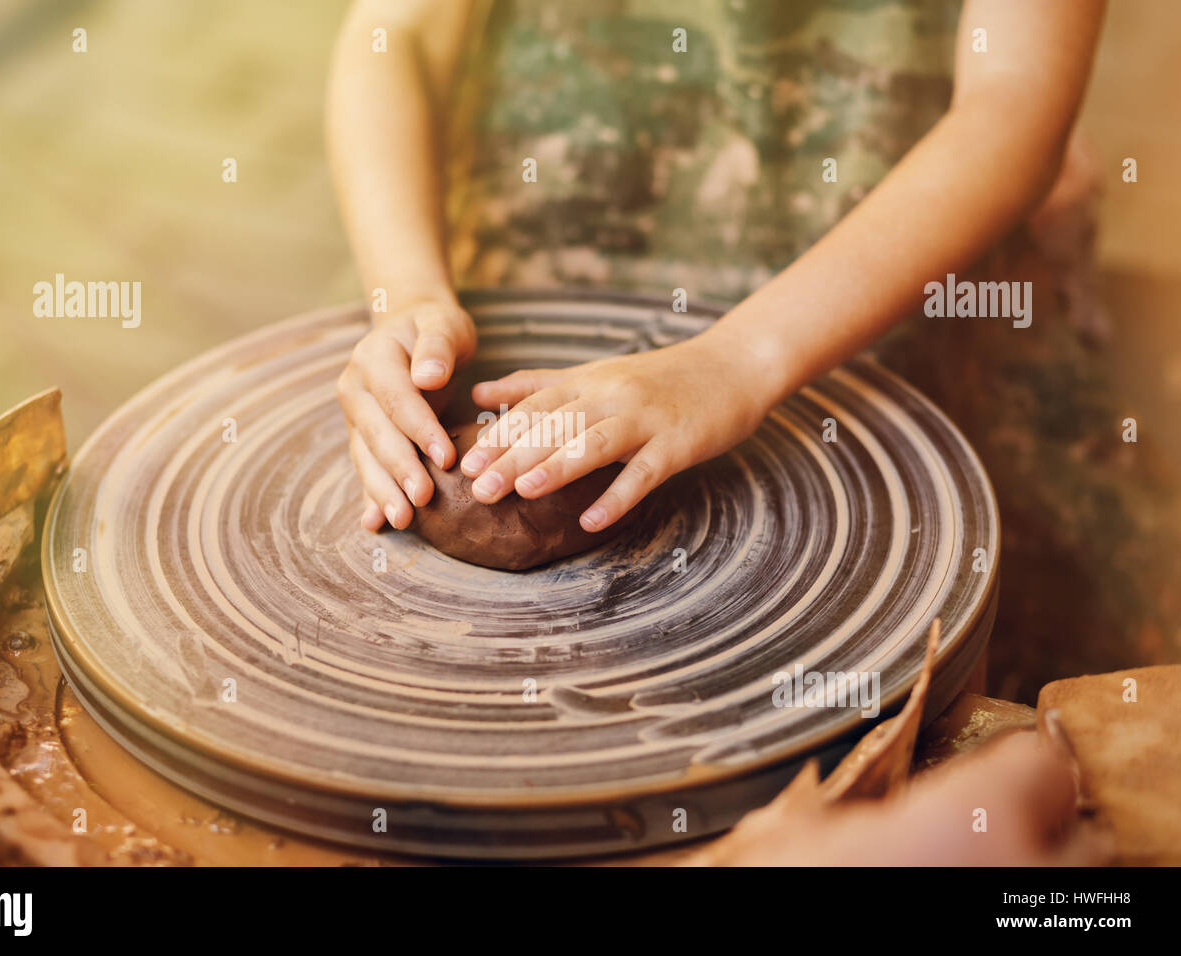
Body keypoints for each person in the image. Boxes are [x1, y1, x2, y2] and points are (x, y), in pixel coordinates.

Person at [327, 0, 1179, 698]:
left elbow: (1014, 105)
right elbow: (390, 34)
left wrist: (734, 361)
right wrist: (406, 292)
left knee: (963, 641)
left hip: (884, 279)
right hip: (549, 244)